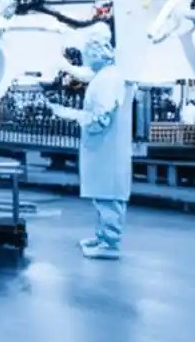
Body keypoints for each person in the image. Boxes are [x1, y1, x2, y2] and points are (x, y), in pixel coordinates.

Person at [49, 31, 133, 260]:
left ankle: (111, 244)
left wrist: (68, 114)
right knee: (102, 195)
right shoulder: (107, 74)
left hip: (107, 150)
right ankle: (103, 236)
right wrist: (63, 65)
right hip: (104, 150)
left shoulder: (107, 80)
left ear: (96, 53)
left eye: (86, 54)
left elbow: (99, 119)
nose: (84, 58)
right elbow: (85, 75)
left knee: (108, 196)